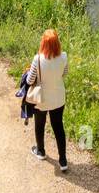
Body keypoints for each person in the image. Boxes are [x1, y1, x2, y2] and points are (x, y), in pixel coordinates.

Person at [26, 28, 68, 172]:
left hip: (41, 99)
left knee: (40, 124)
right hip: (58, 98)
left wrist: (27, 74)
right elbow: (64, 73)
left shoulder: (37, 59)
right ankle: (63, 161)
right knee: (58, 127)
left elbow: (30, 79)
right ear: (57, 43)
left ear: (43, 43)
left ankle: (41, 151)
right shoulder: (63, 56)